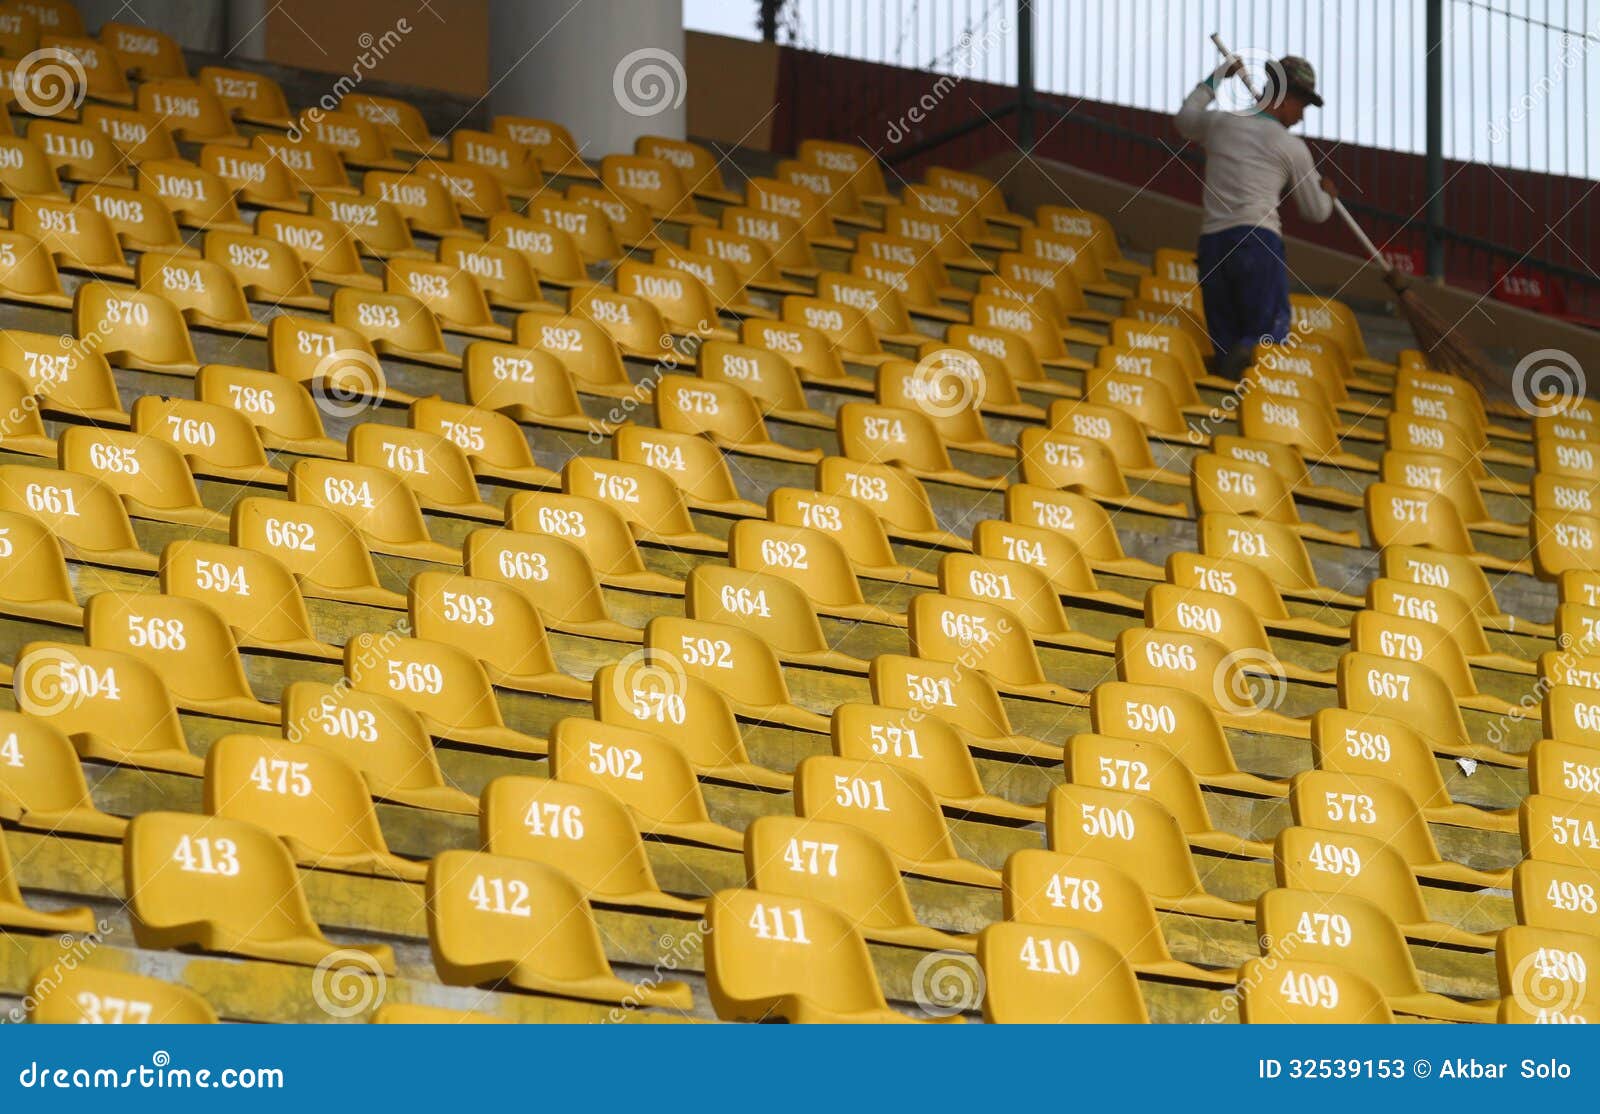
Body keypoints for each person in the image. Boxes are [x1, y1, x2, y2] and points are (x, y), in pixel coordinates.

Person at [1174, 54, 1338, 378]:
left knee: (1224, 342)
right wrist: (1329, 196)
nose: (1301, 117)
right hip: (1257, 242)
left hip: (1212, 245)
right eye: (1301, 107)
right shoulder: (1291, 147)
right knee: (1269, 336)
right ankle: (1250, 353)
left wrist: (1217, 77)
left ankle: (1232, 375)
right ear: (1285, 99)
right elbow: (1315, 212)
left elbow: (1184, 119)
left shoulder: (1221, 123)